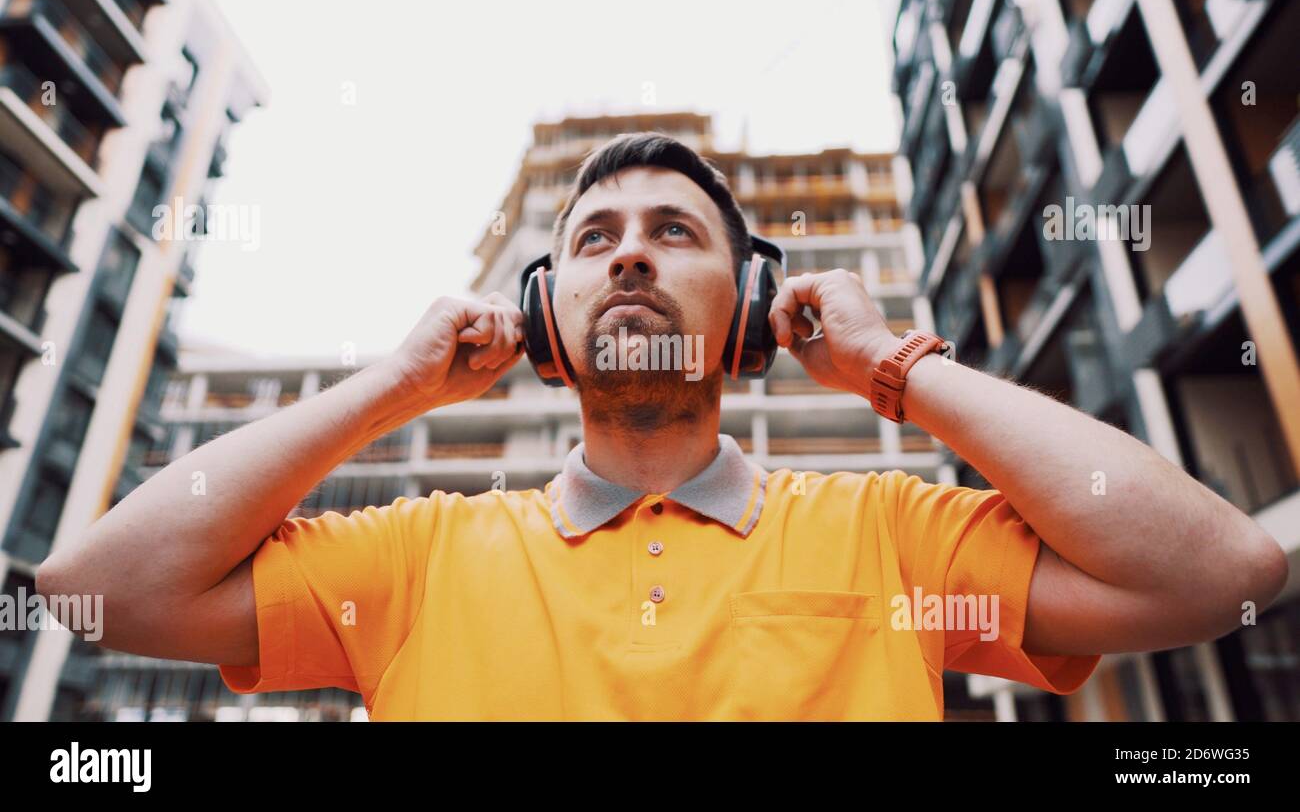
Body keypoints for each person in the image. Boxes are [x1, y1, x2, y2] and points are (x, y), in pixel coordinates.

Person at [38, 133, 1288, 720]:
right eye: (593, 240)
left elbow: (1223, 577)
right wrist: (391, 391)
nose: (629, 253)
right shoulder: (414, 561)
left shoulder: (894, 540)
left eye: (674, 233)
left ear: (746, 303)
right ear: (545, 315)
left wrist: (893, 366)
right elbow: (95, 590)